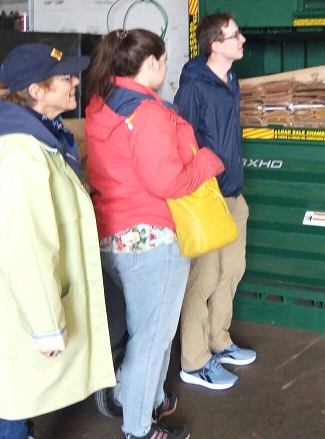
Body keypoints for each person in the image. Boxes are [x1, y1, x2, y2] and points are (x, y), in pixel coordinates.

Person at [0, 43, 115, 439]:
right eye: (66, 78)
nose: (76, 83)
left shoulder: (34, 142)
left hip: (13, 310)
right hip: (16, 313)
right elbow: (24, 247)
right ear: (36, 90)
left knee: (16, 407)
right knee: (12, 410)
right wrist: (46, 324)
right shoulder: (18, 154)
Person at [86, 29, 224, 439]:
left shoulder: (103, 104)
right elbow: (167, 182)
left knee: (145, 326)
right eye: (165, 62)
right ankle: (138, 427)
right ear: (150, 64)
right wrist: (208, 163)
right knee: (152, 335)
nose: (167, 70)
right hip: (150, 240)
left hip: (113, 234)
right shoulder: (146, 113)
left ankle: (145, 396)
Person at [174, 12, 254, 390]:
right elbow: (181, 144)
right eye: (235, 35)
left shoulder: (230, 80)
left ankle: (219, 342)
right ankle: (193, 360)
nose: (242, 40)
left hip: (234, 194)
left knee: (231, 270)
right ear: (215, 45)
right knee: (203, 278)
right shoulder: (193, 87)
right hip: (207, 197)